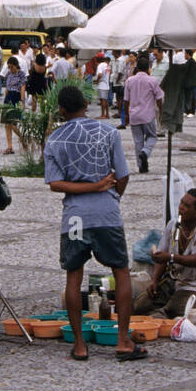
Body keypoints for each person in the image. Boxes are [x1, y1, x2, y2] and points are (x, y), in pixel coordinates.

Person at [46, 86, 143, 362]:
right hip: (106, 214)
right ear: (86, 104)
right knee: (121, 271)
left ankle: (79, 345)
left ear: (62, 110)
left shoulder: (54, 140)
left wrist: (86, 189)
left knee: (74, 276)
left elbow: (55, 184)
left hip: (75, 217)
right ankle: (123, 340)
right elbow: (122, 175)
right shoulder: (109, 132)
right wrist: (109, 194)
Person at [135, 189, 196, 317]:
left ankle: (165, 313)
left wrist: (171, 257)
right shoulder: (174, 225)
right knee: (140, 305)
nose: (181, 208)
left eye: (187, 206)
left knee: (177, 308)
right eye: (181, 203)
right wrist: (155, 280)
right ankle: (162, 312)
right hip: (174, 282)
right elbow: (162, 255)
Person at [125, 55, 165, 174]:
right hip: (148, 115)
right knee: (152, 136)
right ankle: (145, 152)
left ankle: (141, 166)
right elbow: (159, 98)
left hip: (134, 115)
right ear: (148, 68)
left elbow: (126, 100)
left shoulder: (129, 80)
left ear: (137, 68)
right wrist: (161, 113)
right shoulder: (152, 80)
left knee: (138, 141)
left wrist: (126, 115)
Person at [0, 56, 27, 155]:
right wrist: (5, 100)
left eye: (12, 67)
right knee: (7, 124)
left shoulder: (21, 75)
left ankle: (23, 138)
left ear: (16, 65)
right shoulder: (8, 74)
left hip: (16, 97)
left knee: (13, 124)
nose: (10, 69)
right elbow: (7, 87)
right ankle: (9, 146)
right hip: (8, 98)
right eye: (9, 67)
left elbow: (23, 88)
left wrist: (22, 101)